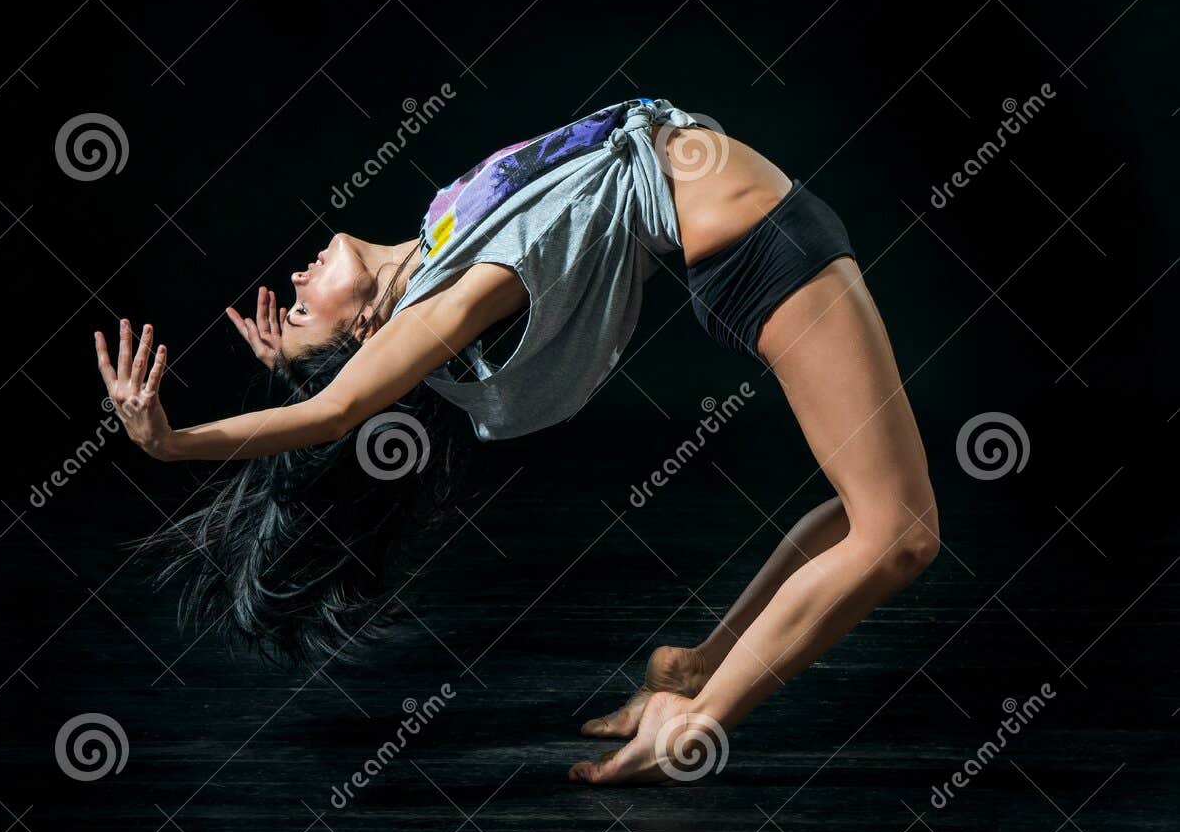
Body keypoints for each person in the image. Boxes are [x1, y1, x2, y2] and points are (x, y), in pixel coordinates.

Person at [93, 96, 938, 785]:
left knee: (871, 511)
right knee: (898, 538)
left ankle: (689, 668)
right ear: (368, 337)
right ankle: (695, 722)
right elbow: (333, 413)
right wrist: (172, 442)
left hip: (770, 228)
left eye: (297, 298)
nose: (296, 281)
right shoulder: (442, 303)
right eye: (310, 306)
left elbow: (334, 380)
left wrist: (300, 353)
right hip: (763, 250)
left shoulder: (435, 237)